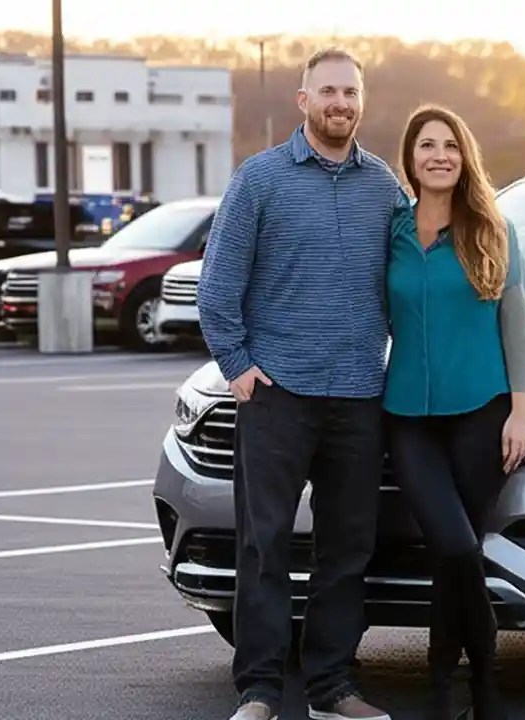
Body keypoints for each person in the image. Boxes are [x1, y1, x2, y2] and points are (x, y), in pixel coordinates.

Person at [197, 47, 400, 720]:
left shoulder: (384, 188)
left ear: (361, 102)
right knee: (264, 545)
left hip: (358, 398)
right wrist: (238, 367)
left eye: (350, 92)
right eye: (328, 91)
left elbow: (413, 285)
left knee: (347, 550)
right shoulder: (259, 180)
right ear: (303, 100)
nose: (340, 102)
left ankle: (331, 688)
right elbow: (218, 287)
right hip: (278, 395)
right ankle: (258, 689)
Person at [384, 104, 525, 720]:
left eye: (449, 144)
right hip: (407, 416)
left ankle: (446, 685)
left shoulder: (493, 228)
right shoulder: (388, 230)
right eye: (426, 146)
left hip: (483, 413)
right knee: (454, 546)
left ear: (463, 155)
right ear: (411, 160)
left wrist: (520, 411)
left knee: (456, 549)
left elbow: (515, 324)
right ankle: (486, 675)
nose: (439, 155)